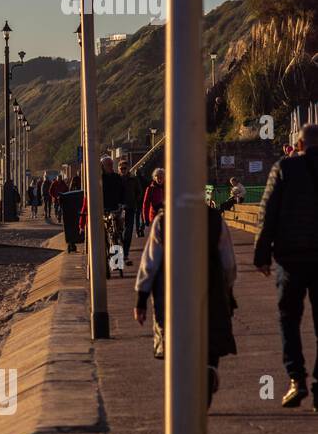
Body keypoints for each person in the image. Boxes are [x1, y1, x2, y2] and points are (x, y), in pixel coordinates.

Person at [135, 204, 237, 405]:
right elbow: (228, 263)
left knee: (176, 342)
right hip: (211, 288)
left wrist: (141, 300)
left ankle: (186, 387)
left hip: (172, 293)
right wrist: (228, 290)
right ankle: (209, 370)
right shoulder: (214, 219)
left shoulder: (163, 222)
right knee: (210, 335)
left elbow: (150, 263)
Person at [253, 123, 318, 408]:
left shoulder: (285, 168)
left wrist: (261, 253)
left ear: (299, 144)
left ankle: (296, 379)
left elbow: (267, 212)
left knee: (288, 319)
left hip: (291, 258)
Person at [118, 160, 143, 265]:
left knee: (128, 232)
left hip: (130, 208)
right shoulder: (116, 179)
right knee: (117, 233)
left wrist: (134, 201)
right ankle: (117, 261)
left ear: (128, 168)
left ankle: (125, 254)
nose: (123, 170)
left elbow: (139, 192)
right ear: (119, 169)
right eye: (121, 168)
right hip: (118, 209)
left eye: (125, 168)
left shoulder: (134, 179)